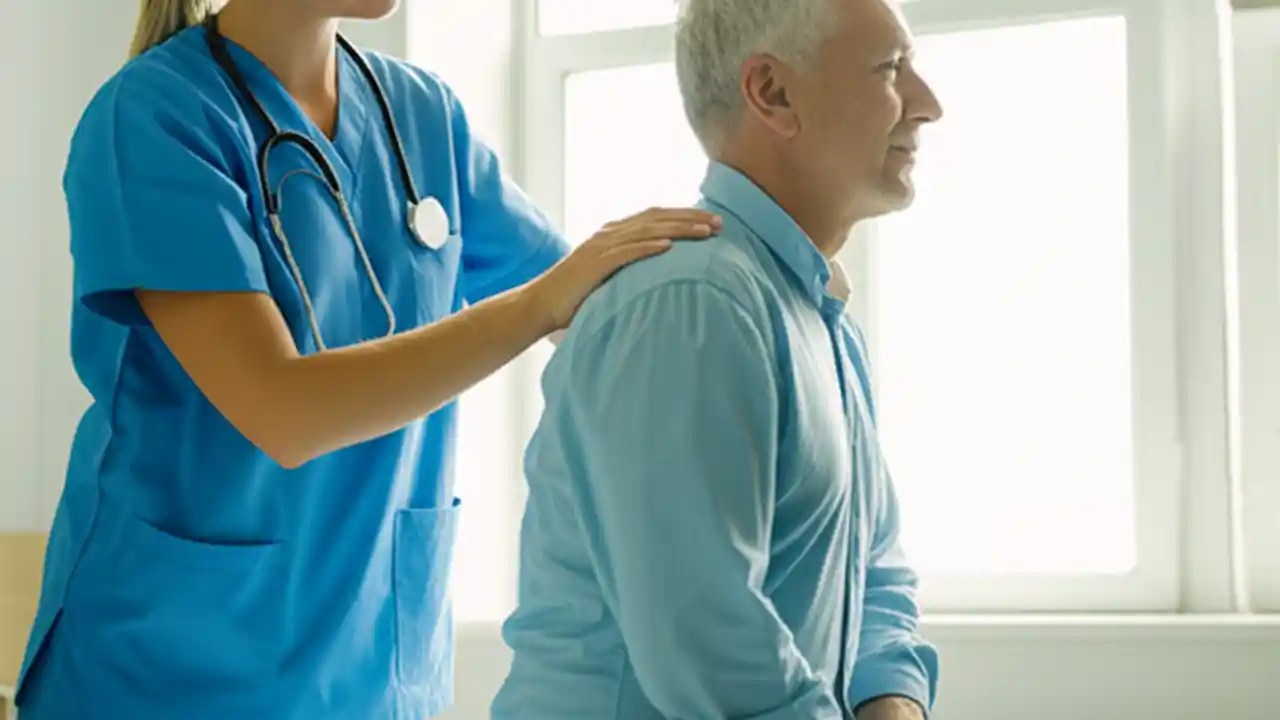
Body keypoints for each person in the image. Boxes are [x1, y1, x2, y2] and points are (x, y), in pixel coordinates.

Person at [13, 0, 721, 718]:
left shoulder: (421, 115)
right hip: (170, 677)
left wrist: (767, 267)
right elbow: (282, 411)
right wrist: (535, 305)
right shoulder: (155, 117)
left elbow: (593, 305)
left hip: (375, 679)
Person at [492, 0, 944, 718]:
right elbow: (707, 638)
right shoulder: (691, 303)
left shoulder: (820, 317)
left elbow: (873, 575)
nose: (928, 105)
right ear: (773, 93)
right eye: (891, 69)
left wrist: (891, 704)